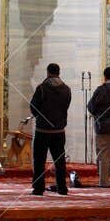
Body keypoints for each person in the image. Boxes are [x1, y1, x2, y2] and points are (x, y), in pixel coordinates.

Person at [29, 63, 72, 196]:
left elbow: (33, 107)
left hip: (43, 130)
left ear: (48, 72)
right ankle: (62, 188)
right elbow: (66, 106)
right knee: (59, 161)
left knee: (39, 160)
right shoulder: (67, 89)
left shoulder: (42, 88)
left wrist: (41, 117)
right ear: (59, 72)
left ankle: (38, 188)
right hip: (59, 131)